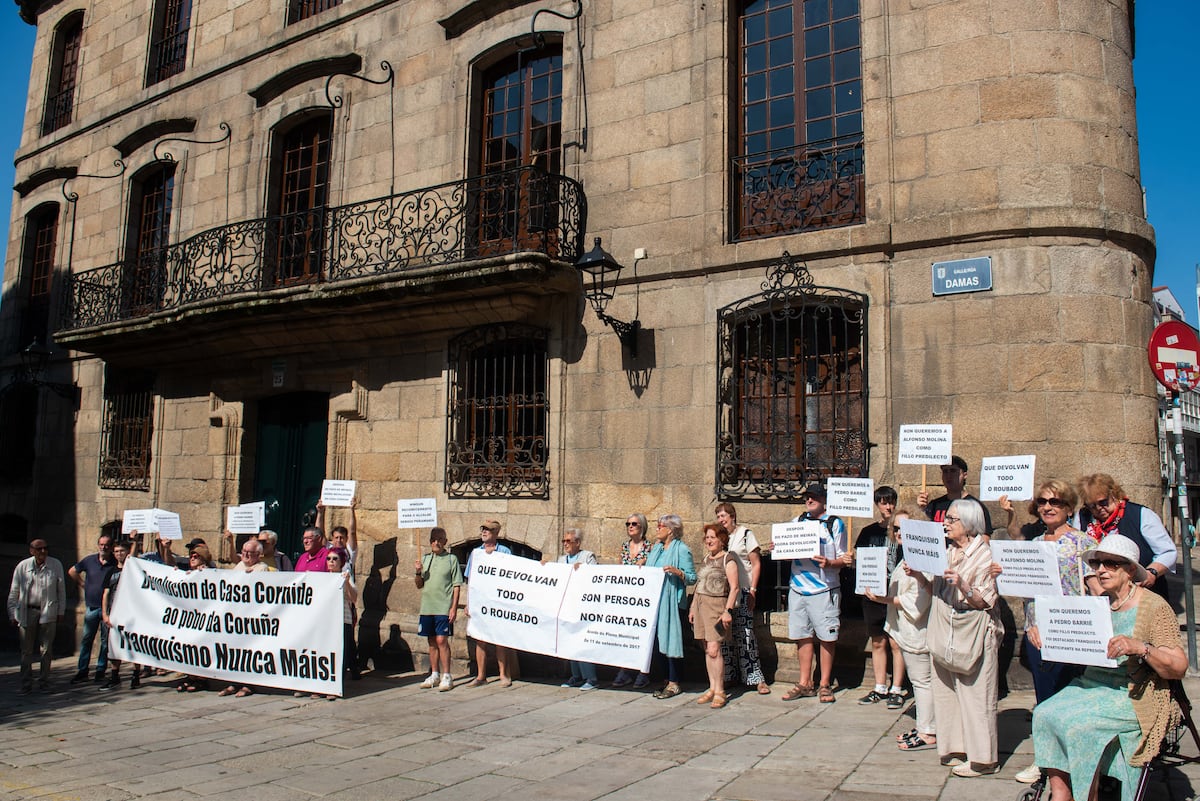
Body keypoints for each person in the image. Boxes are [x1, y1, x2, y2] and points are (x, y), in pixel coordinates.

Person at [1032, 534, 1188, 801]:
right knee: (1044, 713)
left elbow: (1178, 666)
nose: (1101, 570)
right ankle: (1061, 793)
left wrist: (1141, 647)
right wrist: (1046, 635)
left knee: (1080, 727)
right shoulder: (1100, 602)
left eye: (1110, 564)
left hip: (1132, 692)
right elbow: (1075, 641)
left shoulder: (1153, 607)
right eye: (1097, 564)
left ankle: (1087, 796)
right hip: (1092, 684)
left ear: (1129, 570)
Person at [1005, 480, 1100, 783]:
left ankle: (1077, 763)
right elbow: (1027, 594)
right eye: (1043, 502)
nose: (1047, 507)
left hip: (1073, 633)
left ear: (1069, 508)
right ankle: (1046, 761)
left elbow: (1096, 588)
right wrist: (1032, 625)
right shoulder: (1034, 545)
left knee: (1072, 702)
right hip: (1039, 635)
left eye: (1055, 502)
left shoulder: (1083, 544)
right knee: (1045, 703)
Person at [904, 499, 1001, 777]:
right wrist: (920, 576)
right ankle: (955, 749)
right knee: (946, 691)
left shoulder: (985, 555)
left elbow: (987, 600)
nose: (946, 523)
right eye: (946, 519)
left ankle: (983, 759)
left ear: (969, 525)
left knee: (976, 694)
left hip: (972, 628)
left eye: (952, 519)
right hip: (944, 625)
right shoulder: (946, 551)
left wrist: (964, 586)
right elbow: (935, 585)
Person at [771, 482, 848, 704]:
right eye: (807, 496)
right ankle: (805, 682)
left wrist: (830, 562)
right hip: (798, 588)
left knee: (826, 637)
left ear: (824, 499)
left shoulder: (835, 524)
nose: (809, 500)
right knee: (802, 636)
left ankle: (824, 684)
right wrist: (780, 549)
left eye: (814, 496)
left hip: (824, 589)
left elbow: (845, 558)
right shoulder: (797, 522)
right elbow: (788, 549)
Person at [866, 510, 936, 751]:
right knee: (920, 682)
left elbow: (918, 602)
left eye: (904, 529)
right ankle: (924, 726)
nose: (898, 533)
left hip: (918, 632)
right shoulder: (906, 557)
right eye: (895, 528)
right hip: (906, 630)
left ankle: (928, 731)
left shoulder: (922, 560)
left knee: (922, 682)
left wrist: (883, 600)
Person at [1076, 473, 1176, 596]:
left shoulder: (1141, 515)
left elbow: (1168, 552)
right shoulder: (1083, 518)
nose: (1098, 508)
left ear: (1113, 494)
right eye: (1092, 505)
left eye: (1103, 502)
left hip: (1142, 592)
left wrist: (1151, 572)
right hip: (1099, 593)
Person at [856, 485, 906, 708]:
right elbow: (860, 557)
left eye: (891, 501)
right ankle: (880, 686)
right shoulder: (868, 532)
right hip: (874, 592)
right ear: (877, 505)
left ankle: (897, 687)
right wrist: (852, 558)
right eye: (884, 502)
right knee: (878, 641)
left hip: (896, 593)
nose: (888, 506)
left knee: (897, 643)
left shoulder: (902, 531)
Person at [715, 502, 769, 695]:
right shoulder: (719, 537)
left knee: (745, 633)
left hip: (743, 590)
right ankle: (729, 675)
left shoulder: (745, 534)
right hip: (724, 593)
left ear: (732, 516)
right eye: (719, 517)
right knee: (725, 635)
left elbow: (755, 563)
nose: (721, 520)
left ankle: (755, 677)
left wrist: (753, 589)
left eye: (724, 516)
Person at [644, 514, 697, 699]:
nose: (657, 529)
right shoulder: (656, 549)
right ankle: (665, 678)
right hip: (656, 603)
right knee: (658, 642)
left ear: (671, 530)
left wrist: (678, 572)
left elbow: (692, 577)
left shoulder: (682, 550)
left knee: (672, 640)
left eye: (660, 526)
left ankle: (675, 682)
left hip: (673, 603)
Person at [689, 521, 741, 709]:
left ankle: (720, 690)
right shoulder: (706, 559)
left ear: (722, 540)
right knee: (706, 648)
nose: (708, 541)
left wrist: (728, 611)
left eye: (712, 537)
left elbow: (735, 587)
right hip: (702, 605)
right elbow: (699, 586)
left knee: (714, 649)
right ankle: (712, 687)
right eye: (707, 537)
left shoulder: (728, 559)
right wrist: (693, 608)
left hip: (717, 605)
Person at [7, 538, 66, 694]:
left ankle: (44, 681)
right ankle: (26, 682)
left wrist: (61, 611)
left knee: (46, 649)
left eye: (45, 548)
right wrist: (12, 613)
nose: (43, 552)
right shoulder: (23, 567)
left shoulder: (55, 565)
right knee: (26, 650)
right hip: (27, 611)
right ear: (31, 550)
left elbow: (61, 590)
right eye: (39, 549)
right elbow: (14, 591)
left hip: (48, 610)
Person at [465, 519, 516, 687]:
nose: (484, 532)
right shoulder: (476, 553)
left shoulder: (505, 552)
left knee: (499, 639)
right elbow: (470, 578)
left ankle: (503, 675)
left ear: (495, 533)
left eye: (487, 530)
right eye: (483, 529)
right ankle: (481, 676)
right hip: (480, 600)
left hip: (498, 601)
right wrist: (468, 602)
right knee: (480, 639)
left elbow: (511, 576)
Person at [414, 527, 463, 692]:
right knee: (431, 641)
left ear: (445, 542)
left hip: (443, 606)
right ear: (430, 542)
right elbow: (419, 585)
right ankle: (434, 673)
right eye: (434, 539)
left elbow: (457, 585)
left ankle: (447, 675)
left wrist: (454, 607)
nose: (437, 542)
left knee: (442, 640)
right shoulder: (426, 559)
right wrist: (418, 572)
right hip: (427, 607)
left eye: (440, 539)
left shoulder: (451, 559)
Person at [68, 533, 115, 685]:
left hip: (108, 609)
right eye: (101, 544)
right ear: (98, 545)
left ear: (111, 546)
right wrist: (82, 584)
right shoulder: (89, 560)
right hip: (92, 607)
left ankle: (100, 670)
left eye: (107, 544)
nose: (104, 547)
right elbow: (72, 571)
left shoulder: (115, 563)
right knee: (87, 639)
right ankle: (82, 670)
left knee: (105, 641)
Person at [557, 528, 600, 690]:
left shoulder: (587, 556)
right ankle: (576, 675)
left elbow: (596, 576)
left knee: (583, 640)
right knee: (570, 641)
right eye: (564, 541)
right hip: (568, 605)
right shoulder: (561, 560)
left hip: (583, 606)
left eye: (569, 541)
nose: (566, 544)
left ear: (578, 543)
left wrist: (583, 569)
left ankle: (591, 678)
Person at [612, 513, 651, 688]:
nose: (630, 526)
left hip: (643, 597)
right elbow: (621, 567)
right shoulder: (624, 546)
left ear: (642, 526)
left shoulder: (650, 547)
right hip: (626, 597)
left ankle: (643, 673)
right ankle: (625, 670)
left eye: (634, 523)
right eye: (628, 523)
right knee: (624, 633)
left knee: (642, 635)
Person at [917, 455, 993, 534]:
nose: (949, 476)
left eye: (953, 471)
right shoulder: (934, 505)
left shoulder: (975, 506)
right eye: (945, 471)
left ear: (964, 475)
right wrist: (922, 509)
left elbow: (984, 539)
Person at [327, 546, 360, 689]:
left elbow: (354, 598)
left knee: (342, 654)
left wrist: (346, 583)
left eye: (335, 559)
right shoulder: (322, 577)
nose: (331, 561)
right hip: (326, 622)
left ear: (341, 562)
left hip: (342, 620)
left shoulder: (345, 577)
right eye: (328, 559)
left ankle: (336, 684)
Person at [316, 497, 358, 566]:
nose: (339, 540)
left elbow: (352, 532)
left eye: (341, 538)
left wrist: (352, 510)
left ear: (346, 539)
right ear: (332, 538)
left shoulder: (350, 551)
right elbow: (318, 532)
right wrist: (320, 512)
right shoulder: (328, 548)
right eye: (336, 537)